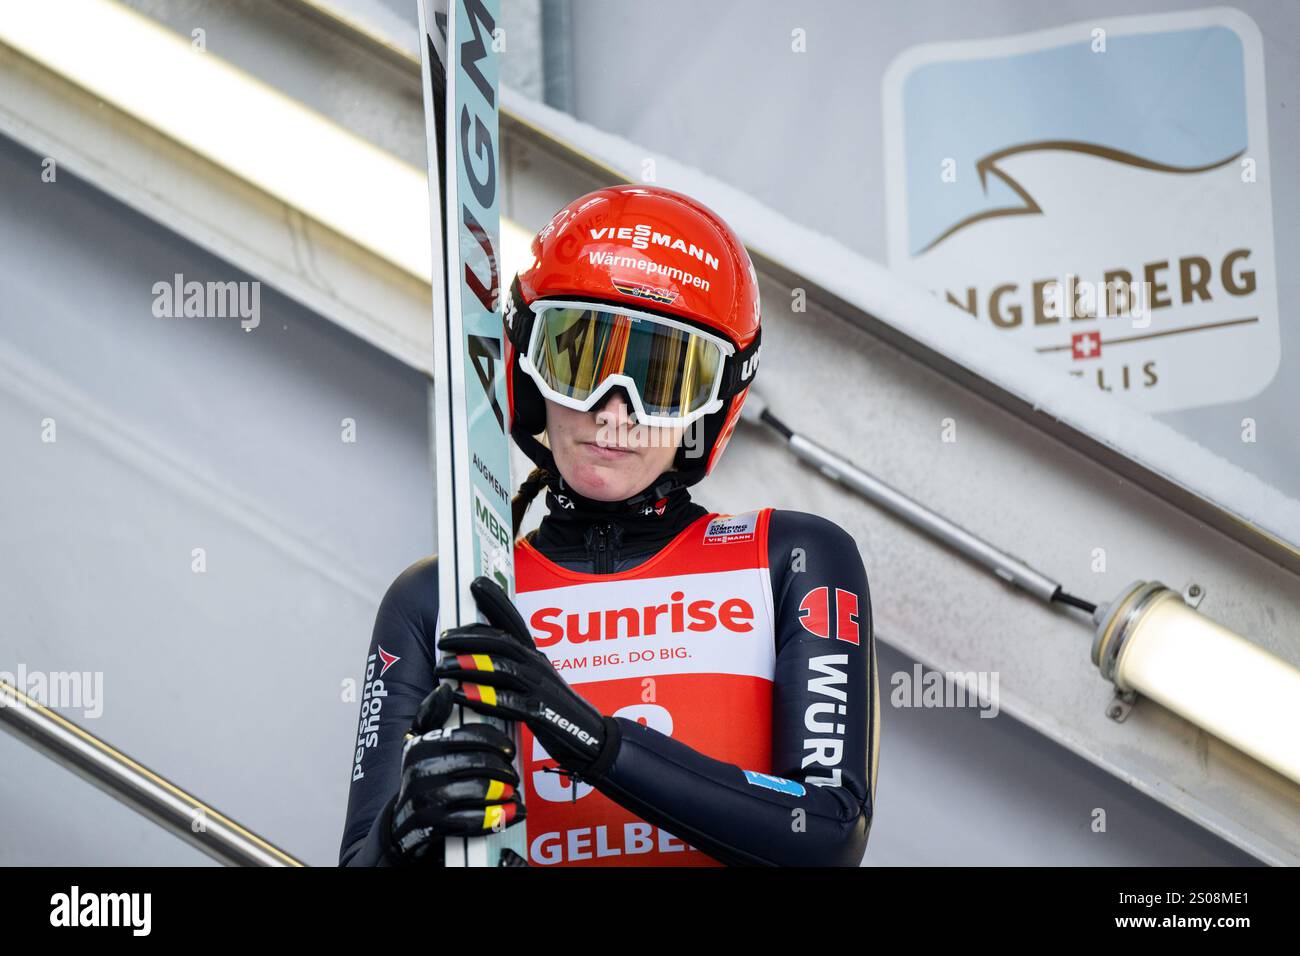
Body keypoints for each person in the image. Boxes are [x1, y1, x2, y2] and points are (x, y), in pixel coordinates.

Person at [339, 184, 879, 867]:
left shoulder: (791, 560)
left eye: (662, 378)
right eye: (583, 361)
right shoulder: (439, 599)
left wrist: (586, 737)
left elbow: (828, 831)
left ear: (712, 406)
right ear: (528, 369)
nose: (614, 411)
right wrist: (404, 831)